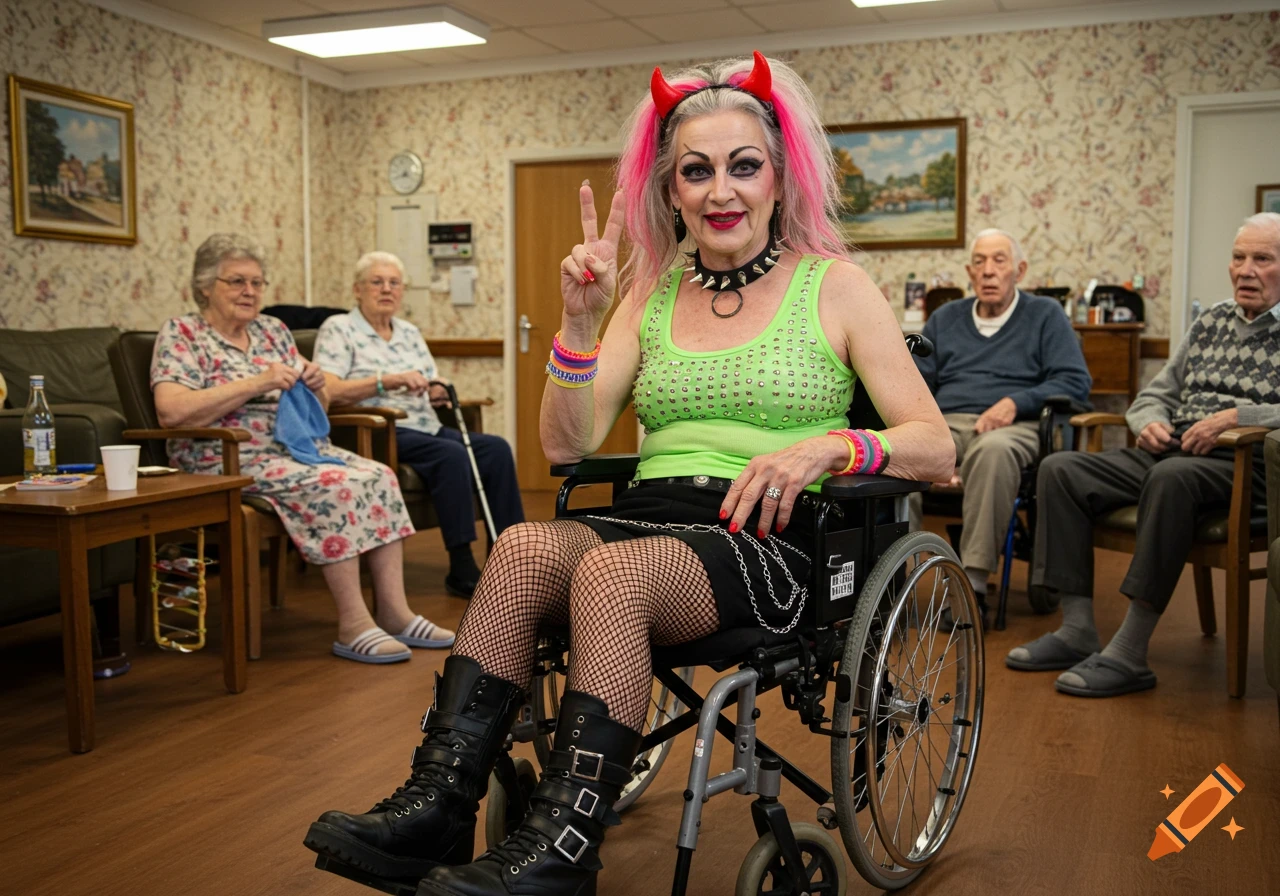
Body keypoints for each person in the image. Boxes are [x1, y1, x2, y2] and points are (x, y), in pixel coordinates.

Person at [304, 52, 952, 896]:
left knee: (612, 574)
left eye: (743, 166)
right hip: (650, 513)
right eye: (696, 171)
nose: (721, 191)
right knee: (523, 547)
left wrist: (831, 447)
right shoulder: (651, 290)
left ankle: (564, 847)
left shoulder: (837, 287)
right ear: (671, 191)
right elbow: (565, 445)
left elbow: (935, 447)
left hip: (769, 532)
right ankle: (439, 803)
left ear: (779, 178)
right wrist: (578, 325)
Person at [1007, 212, 1280, 696]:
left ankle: (1130, 652)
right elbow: (1157, 392)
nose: (1245, 270)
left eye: (1262, 259)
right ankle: (1076, 629)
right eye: (1239, 257)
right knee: (1060, 469)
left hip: (1245, 465)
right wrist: (1148, 421)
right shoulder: (1211, 321)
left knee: (1171, 478)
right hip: (1176, 449)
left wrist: (1238, 417)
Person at [151, 233, 454, 664]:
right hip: (223, 457)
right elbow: (171, 411)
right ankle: (353, 624)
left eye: (257, 282)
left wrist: (316, 386)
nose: (249, 291)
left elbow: (318, 407)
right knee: (335, 484)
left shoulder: (272, 331)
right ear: (204, 286)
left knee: (380, 475)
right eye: (236, 281)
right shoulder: (182, 333)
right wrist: (257, 382)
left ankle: (395, 613)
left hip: (294, 448)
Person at [313, 252, 525, 597]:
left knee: (496, 449)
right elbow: (330, 390)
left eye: (394, 283)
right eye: (377, 282)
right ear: (357, 289)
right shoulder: (339, 329)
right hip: (376, 429)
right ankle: (461, 566)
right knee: (451, 455)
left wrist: (437, 390)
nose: (387, 289)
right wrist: (386, 382)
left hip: (425, 424)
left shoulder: (408, 332)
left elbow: (429, 379)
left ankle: (512, 559)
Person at [912, 228, 1091, 615]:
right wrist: (925, 440)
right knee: (903, 452)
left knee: (991, 452)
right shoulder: (945, 319)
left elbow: (1075, 382)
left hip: (1017, 426)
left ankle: (973, 585)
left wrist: (1015, 402)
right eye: (979, 262)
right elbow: (918, 384)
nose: (988, 271)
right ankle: (896, 581)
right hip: (951, 423)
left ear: (1019, 270)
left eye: (999, 261)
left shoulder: (1045, 315)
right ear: (969, 272)